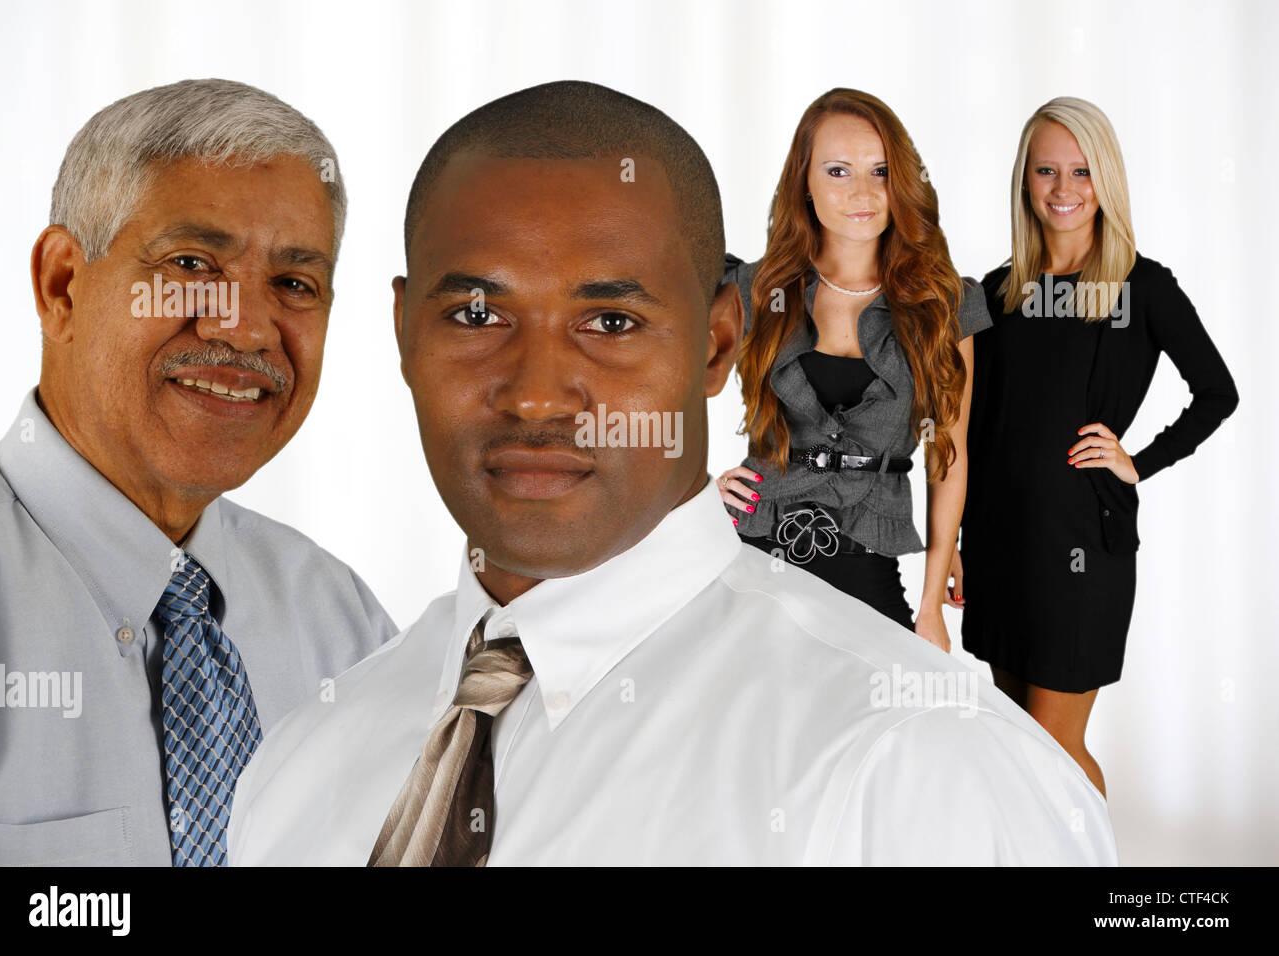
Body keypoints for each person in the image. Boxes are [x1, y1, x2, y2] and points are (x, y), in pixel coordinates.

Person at [229, 80, 1117, 866]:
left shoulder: (917, 766)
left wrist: (933, 592)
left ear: (717, 344)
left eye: (610, 323)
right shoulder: (302, 760)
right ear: (402, 335)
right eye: (475, 312)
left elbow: (945, 452)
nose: (537, 398)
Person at [0, 79, 396, 866]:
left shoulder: (343, 625)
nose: (243, 330)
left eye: (294, 283)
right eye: (192, 263)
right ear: (61, 284)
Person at [952, 97, 1239, 795]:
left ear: (1105, 178)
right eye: (1046, 171)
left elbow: (1218, 393)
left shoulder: (1143, 288)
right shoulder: (997, 291)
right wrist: (954, 541)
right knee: (1017, 747)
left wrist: (1138, 462)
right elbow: (971, 427)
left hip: (1080, 551)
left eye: (1081, 172)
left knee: (1052, 751)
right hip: (998, 546)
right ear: (1025, 180)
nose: (1063, 190)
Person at [718, 89, 990, 644]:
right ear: (805, 184)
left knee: (886, 721)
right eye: (838, 171)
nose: (863, 192)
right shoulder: (754, 289)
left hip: (868, 561)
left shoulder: (945, 305)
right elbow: (651, 387)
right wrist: (699, 489)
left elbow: (949, 461)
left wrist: (932, 606)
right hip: (754, 553)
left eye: (880, 171)